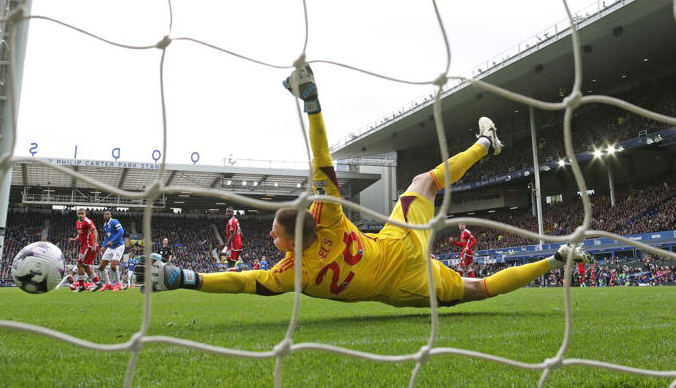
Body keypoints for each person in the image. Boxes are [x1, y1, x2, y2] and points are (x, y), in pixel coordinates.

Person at [134, 64, 592, 308]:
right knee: (423, 182)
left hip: (406, 283)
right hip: (400, 241)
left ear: (291, 239)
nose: (270, 237)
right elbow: (323, 163)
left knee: (479, 289)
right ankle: (483, 147)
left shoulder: (293, 272)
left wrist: (183, 279)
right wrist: (312, 106)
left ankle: (555, 259)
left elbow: (241, 282)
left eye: (274, 233)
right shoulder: (327, 219)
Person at [92, 211, 126, 292]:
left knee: (113, 266)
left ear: (110, 215)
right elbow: (107, 237)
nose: (106, 215)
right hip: (110, 247)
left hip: (119, 246)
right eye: (104, 214)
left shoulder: (114, 222)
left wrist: (112, 241)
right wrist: (103, 246)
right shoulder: (105, 225)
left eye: (107, 214)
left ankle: (118, 284)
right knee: (101, 267)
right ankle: (108, 284)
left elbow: (121, 232)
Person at [68, 208, 100, 293]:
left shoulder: (88, 221)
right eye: (79, 214)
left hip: (89, 246)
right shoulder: (78, 222)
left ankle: (82, 286)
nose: (81, 215)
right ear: (77, 214)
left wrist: (93, 244)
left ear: (85, 214)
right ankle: (98, 283)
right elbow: (80, 234)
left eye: (82, 213)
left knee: (80, 264)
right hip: (84, 247)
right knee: (85, 266)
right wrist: (74, 239)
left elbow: (95, 231)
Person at [223, 207, 243, 272]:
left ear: (232, 212)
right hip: (238, 244)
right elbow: (241, 234)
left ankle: (231, 280)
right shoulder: (236, 220)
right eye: (227, 211)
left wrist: (226, 247)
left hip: (233, 245)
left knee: (230, 264)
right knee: (232, 264)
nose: (228, 213)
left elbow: (232, 234)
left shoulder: (231, 221)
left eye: (229, 211)